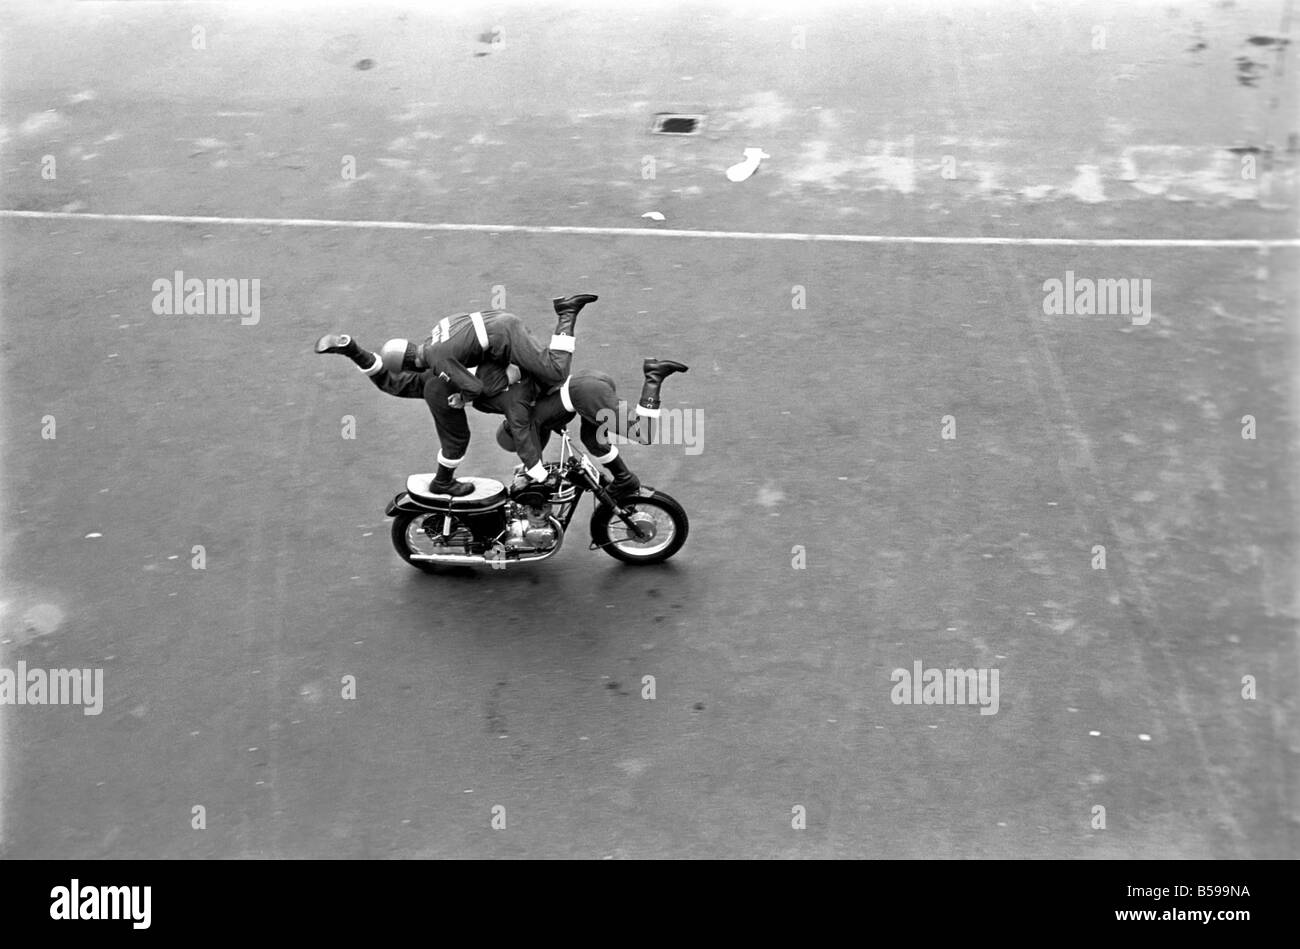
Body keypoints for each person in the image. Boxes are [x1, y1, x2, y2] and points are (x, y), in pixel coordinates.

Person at [315, 293, 596, 496]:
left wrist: (467, 394)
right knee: (457, 440)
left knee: (392, 383)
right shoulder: (439, 349)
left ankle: (353, 349)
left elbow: (486, 395)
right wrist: (537, 472)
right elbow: (494, 403)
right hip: (491, 338)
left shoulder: (437, 361)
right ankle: (442, 481)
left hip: (488, 346)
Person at [483, 359, 689, 499]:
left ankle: (654, 376)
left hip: (586, 394)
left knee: (642, 432)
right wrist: (529, 469)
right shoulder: (527, 410)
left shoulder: (527, 425)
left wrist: (529, 474)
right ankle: (624, 478)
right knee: (592, 441)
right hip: (589, 381)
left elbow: (532, 450)